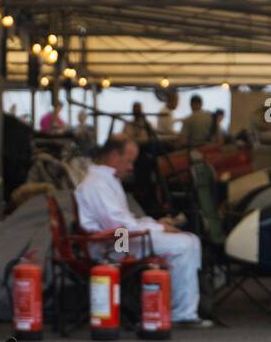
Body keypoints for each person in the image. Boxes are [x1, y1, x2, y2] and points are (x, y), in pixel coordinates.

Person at [75, 134, 211, 327]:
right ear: (114, 156)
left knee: (189, 240)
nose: (131, 167)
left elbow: (122, 221)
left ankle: (187, 306)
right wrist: (158, 227)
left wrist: (155, 224)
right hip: (113, 246)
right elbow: (119, 226)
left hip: (117, 240)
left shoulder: (104, 181)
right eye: (129, 161)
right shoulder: (97, 184)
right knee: (185, 244)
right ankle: (182, 313)